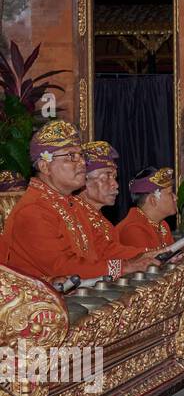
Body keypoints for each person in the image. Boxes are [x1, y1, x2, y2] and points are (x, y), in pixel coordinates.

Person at [0, 120, 158, 283]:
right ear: (45, 166)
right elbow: (63, 267)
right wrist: (124, 267)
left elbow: (102, 249)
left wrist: (146, 255)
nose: (82, 162)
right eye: (71, 156)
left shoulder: (72, 204)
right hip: (43, 304)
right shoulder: (33, 210)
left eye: (80, 155)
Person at [116, 167, 177, 251]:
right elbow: (152, 263)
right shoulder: (132, 230)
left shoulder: (163, 225)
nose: (175, 198)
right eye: (170, 193)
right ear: (153, 200)